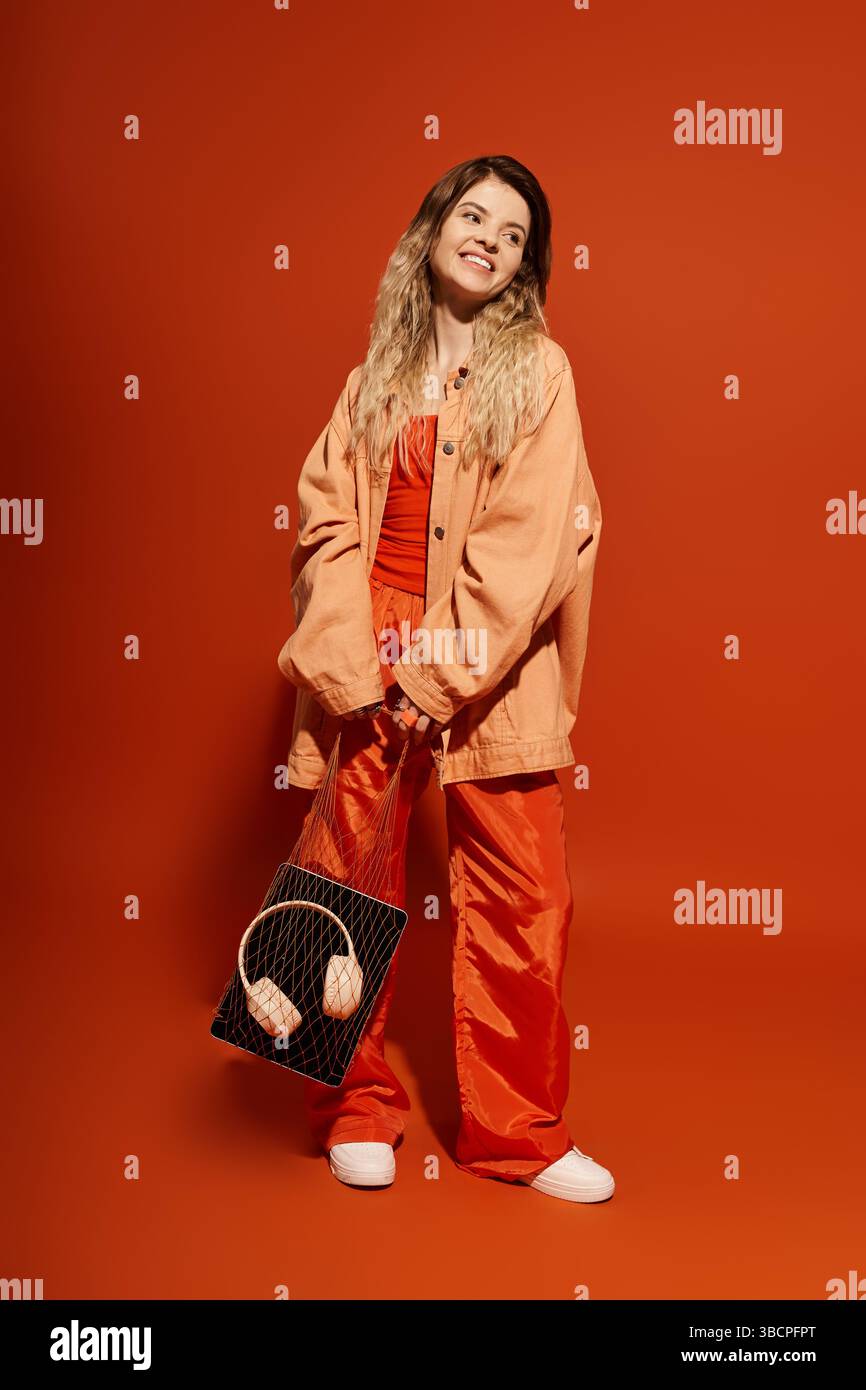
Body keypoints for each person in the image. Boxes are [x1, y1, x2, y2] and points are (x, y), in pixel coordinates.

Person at [277, 155, 614, 1204]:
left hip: (487, 663)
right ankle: (350, 1105)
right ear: (432, 230)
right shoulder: (369, 380)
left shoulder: (540, 373)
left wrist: (435, 675)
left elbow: (530, 544)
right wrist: (353, 662)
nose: (486, 237)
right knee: (344, 877)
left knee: (524, 895)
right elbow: (324, 522)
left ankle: (518, 1133)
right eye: (472, 216)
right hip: (368, 653)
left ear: (522, 267)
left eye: (510, 233)